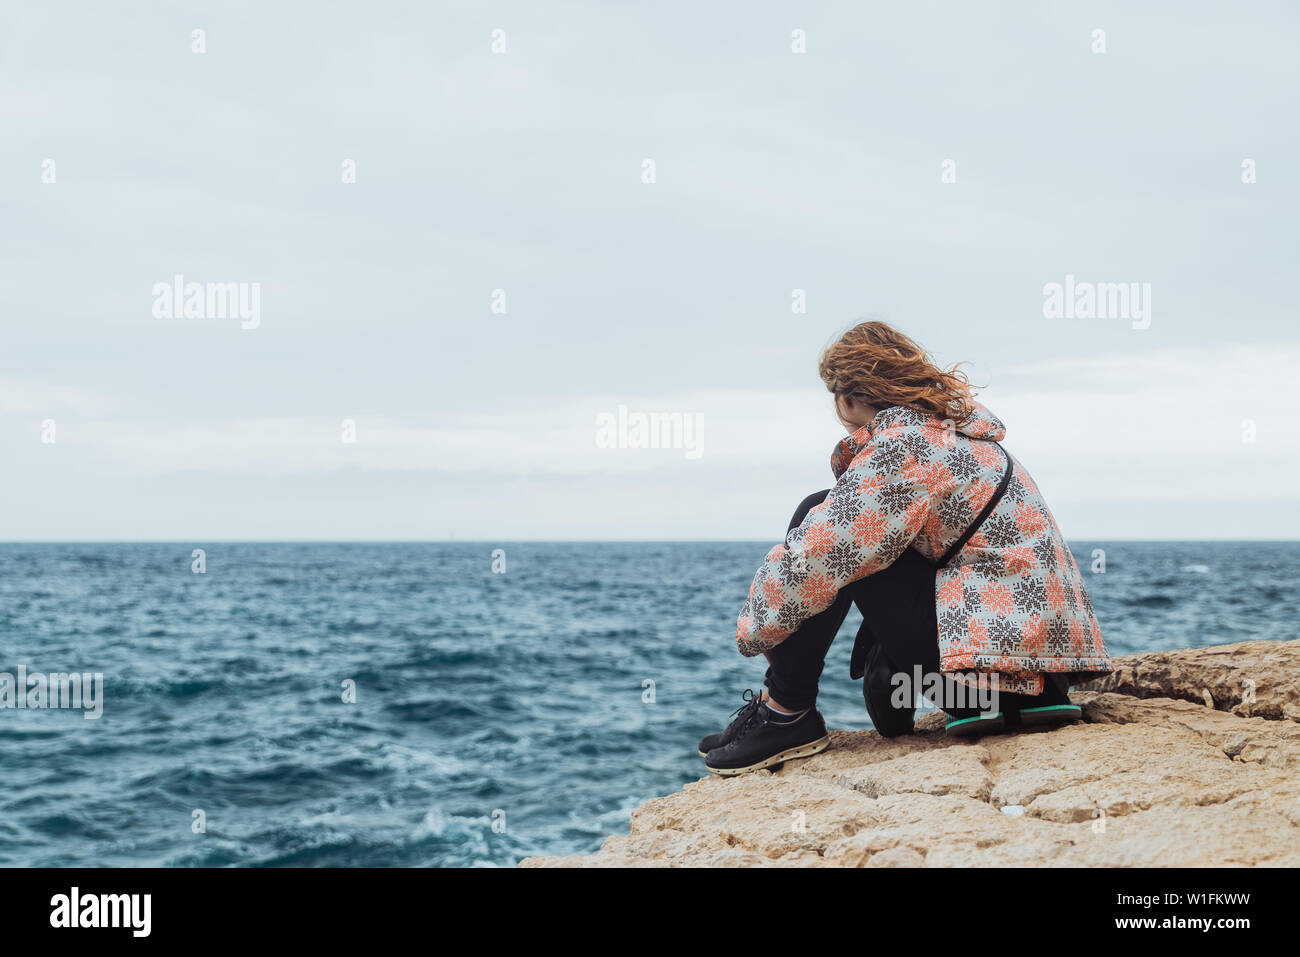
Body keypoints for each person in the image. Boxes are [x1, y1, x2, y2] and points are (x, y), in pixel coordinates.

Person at [701, 321, 1113, 776]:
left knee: (820, 513)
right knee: (870, 533)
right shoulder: (969, 439)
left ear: (848, 398)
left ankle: (784, 711)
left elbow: (818, 558)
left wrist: (759, 630)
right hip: (1046, 678)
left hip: (983, 682)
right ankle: (797, 705)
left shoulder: (905, 448)